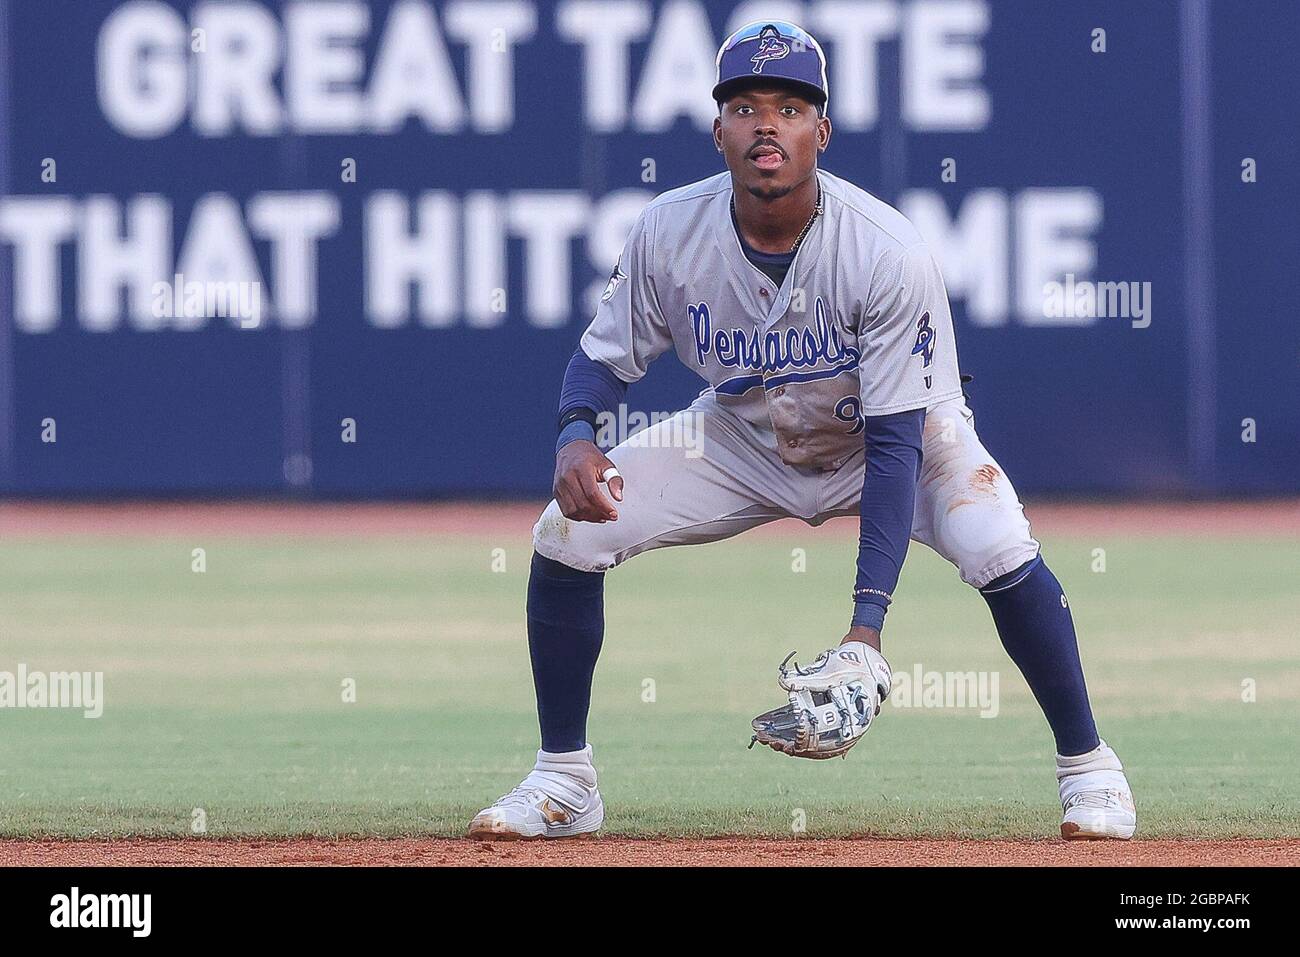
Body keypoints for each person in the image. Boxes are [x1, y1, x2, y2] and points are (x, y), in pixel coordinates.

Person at [469, 21, 1135, 842]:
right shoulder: (668, 232)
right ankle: (564, 781)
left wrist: (867, 629)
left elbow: (896, 444)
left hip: (892, 438)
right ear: (719, 133)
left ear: (822, 130)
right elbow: (601, 362)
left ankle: (1090, 769)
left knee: (994, 538)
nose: (766, 125)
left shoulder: (887, 250)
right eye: (744, 106)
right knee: (565, 531)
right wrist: (575, 437)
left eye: (790, 106)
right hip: (742, 437)